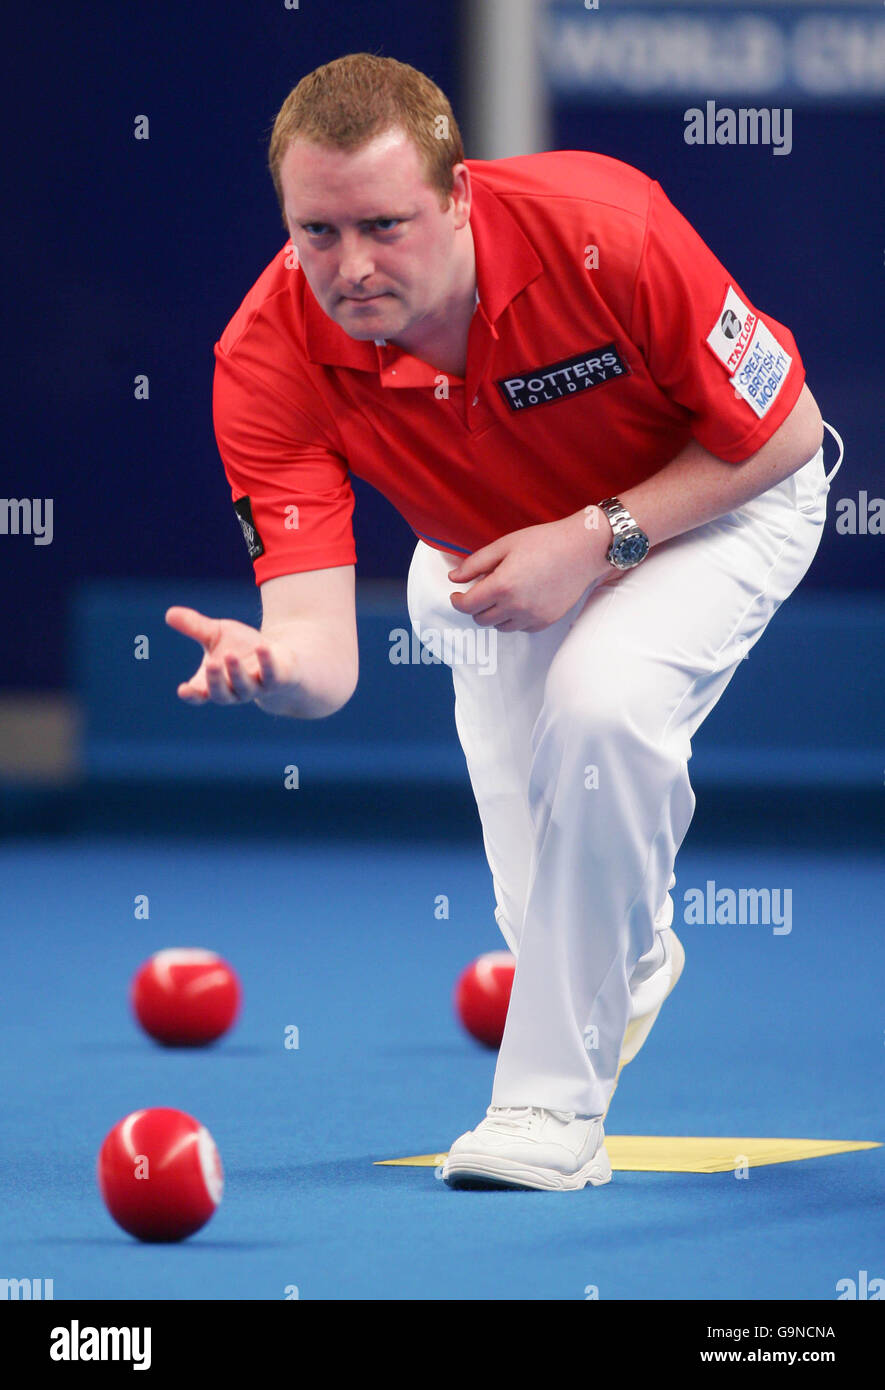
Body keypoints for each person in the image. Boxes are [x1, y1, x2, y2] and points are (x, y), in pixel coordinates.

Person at [166, 53, 840, 1192]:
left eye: (385, 224)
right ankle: (623, 960)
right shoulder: (266, 352)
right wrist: (273, 671)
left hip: (721, 499)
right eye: (315, 233)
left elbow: (784, 432)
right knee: (559, 925)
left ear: (461, 194)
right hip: (493, 565)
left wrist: (595, 538)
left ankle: (546, 1112)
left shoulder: (605, 226)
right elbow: (324, 658)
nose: (351, 266)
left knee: (604, 701)